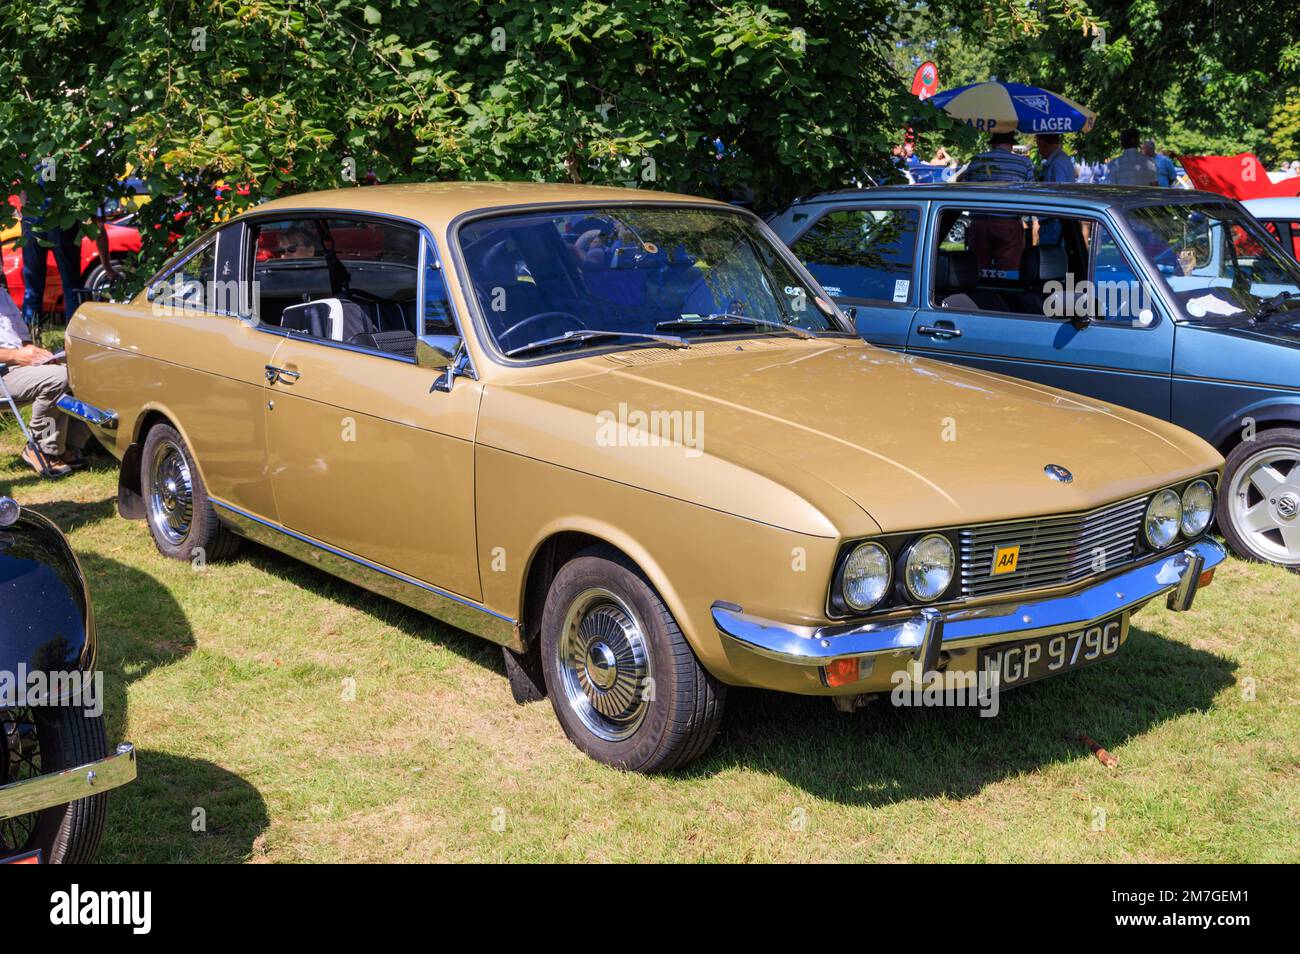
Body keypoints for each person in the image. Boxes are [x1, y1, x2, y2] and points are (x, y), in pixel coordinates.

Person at [0, 285, 88, 477]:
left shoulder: (2, 292)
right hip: (3, 372)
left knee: (86, 367)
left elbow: (20, 341)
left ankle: (67, 445)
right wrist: (15, 355)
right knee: (60, 378)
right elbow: (14, 351)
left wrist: (40, 355)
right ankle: (42, 448)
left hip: (15, 367)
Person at [958, 131, 1035, 183]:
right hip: (1013, 206)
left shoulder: (977, 160)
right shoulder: (1024, 163)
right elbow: (1032, 190)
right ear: (1011, 144)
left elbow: (963, 185)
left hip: (979, 205)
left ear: (993, 144)